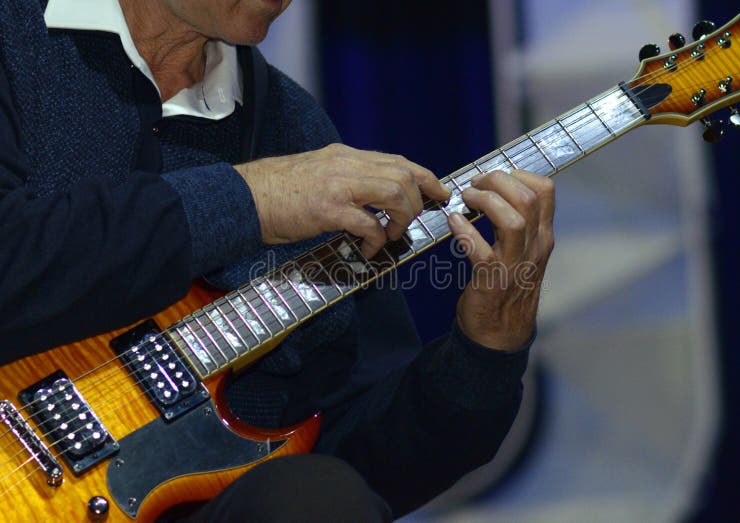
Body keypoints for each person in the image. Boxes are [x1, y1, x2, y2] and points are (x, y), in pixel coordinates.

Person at [0, 0, 555, 520]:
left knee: (320, 499)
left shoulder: (296, 128)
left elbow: (365, 461)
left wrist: (487, 350)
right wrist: (252, 199)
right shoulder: (14, 36)